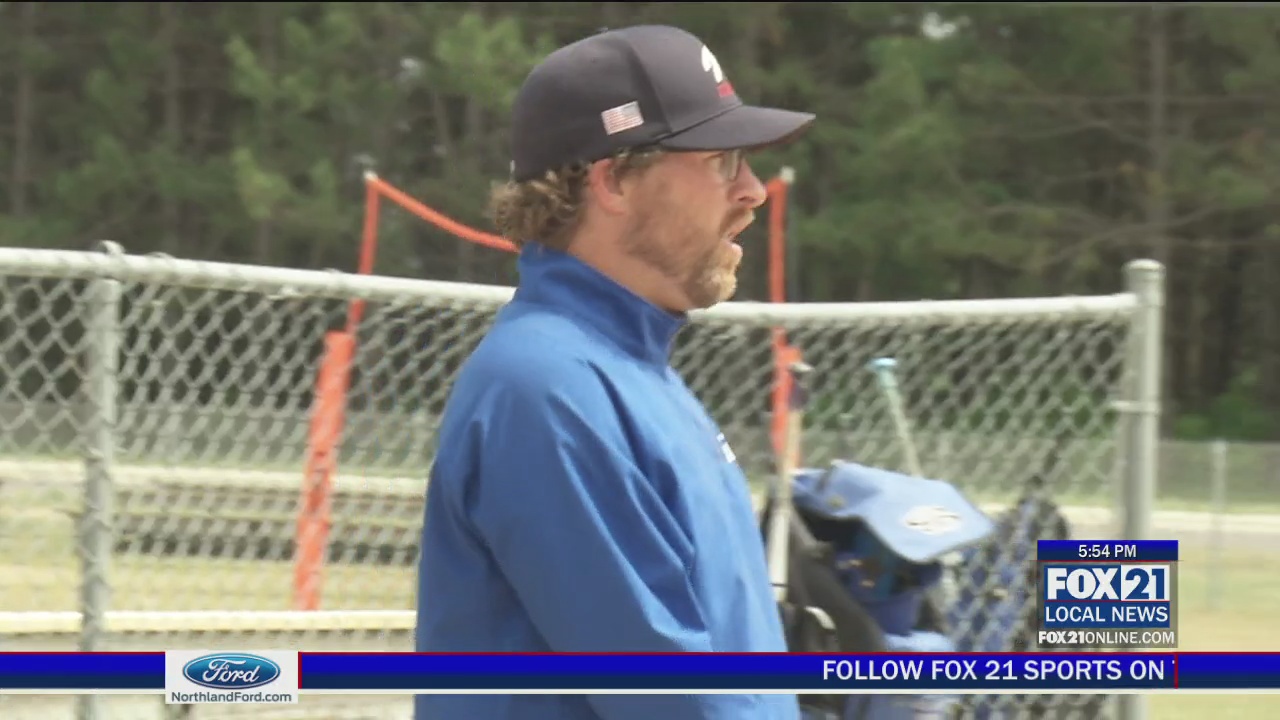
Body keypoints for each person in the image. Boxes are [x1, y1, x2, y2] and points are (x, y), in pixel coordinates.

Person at [414, 23, 816, 720]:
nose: (752, 191)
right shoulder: (549, 390)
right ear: (614, 181)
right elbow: (673, 697)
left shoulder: (626, 370)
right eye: (722, 160)